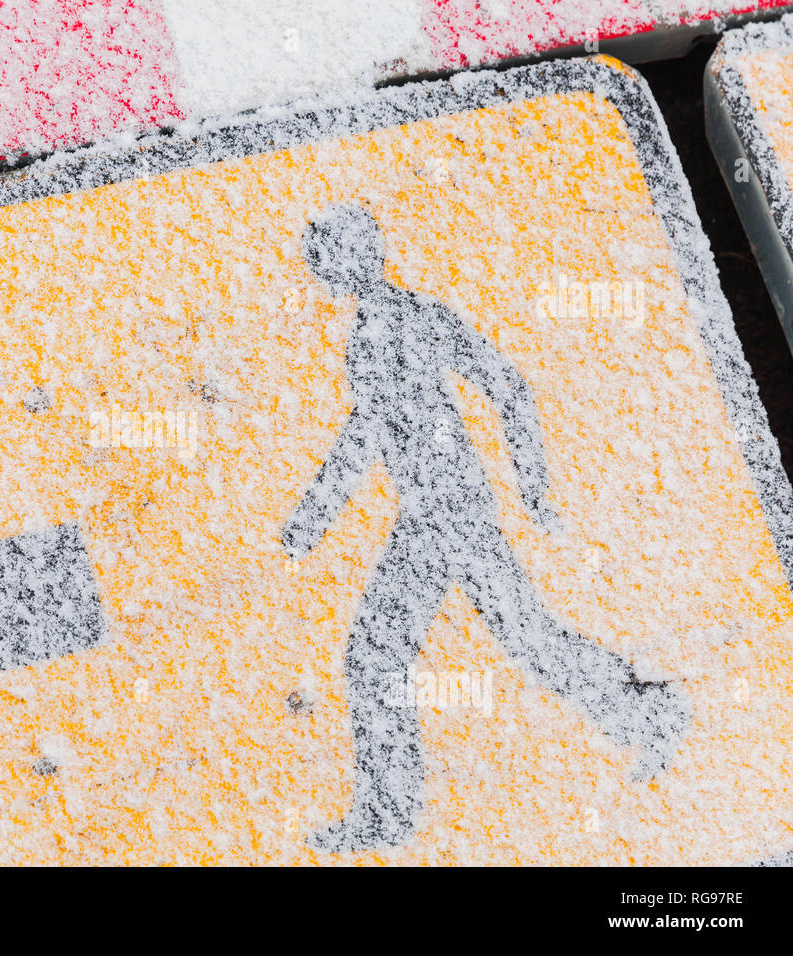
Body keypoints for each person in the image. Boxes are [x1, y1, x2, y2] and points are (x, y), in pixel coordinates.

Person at [282, 205, 689, 853]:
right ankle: (649, 712)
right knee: (518, 635)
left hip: (445, 514)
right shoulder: (390, 322)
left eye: (323, 255)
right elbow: (386, 424)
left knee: (379, 656)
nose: (315, 269)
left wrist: (532, 488)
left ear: (352, 256)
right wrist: (313, 514)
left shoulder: (394, 324)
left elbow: (496, 389)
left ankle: (388, 815)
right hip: (442, 511)